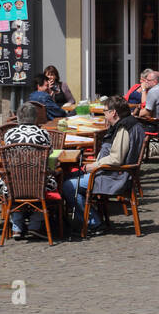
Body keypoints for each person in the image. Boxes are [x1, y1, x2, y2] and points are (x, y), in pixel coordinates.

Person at [61, 96, 147, 235]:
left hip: (114, 176)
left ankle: (94, 223)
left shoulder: (123, 128)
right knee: (70, 176)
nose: (104, 115)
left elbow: (116, 158)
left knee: (68, 186)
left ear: (113, 113)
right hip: (117, 173)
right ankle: (80, 220)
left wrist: (94, 165)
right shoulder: (132, 124)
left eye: (105, 111)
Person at [0, 103, 60, 240]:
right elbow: (50, 155)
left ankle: (17, 227)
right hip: (38, 183)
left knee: (5, 184)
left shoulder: (9, 134)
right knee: (54, 183)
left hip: (14, 183)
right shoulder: (44, 134)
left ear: (18, 118)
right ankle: (35, 224)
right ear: (35, 118)